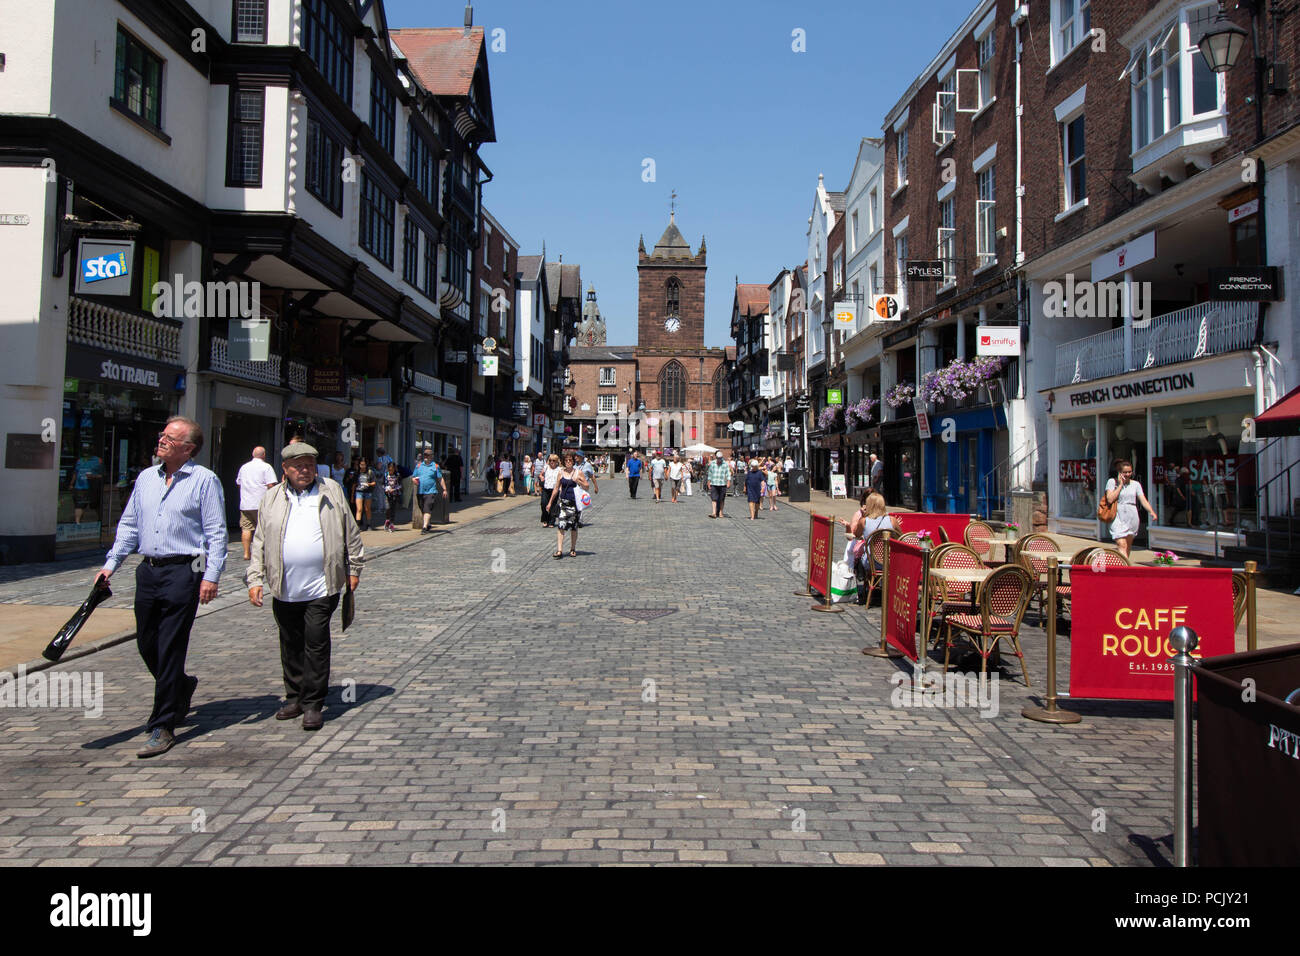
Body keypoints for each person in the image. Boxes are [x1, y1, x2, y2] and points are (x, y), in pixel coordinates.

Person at [96, 416, 226, 758]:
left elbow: (215, 533)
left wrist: (212, 575)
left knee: (170, 646)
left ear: (188, 449)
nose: (162, 441)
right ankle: (179, 685)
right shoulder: (145, 479)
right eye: (162, 436)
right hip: (149, 571)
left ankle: (162, 724)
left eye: (170, 438)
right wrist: (111, 565)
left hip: (185, 571)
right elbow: (129, 525)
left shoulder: (204, 481)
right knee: (146, 642)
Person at [246, 443, 364, 732]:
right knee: (290, 642)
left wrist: (356, 567)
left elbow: (351, 530)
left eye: (310, 464)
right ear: (284, 469)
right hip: (284, 586)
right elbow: (260, 540)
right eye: (298, 465)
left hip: (323, 584)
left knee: (316, 640)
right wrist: (255, 578)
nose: (305, 470)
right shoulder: (272, 497)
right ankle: (294, 696)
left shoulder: (330, 491)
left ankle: (313, 703)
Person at [841, 491, 901, 605]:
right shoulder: (892, 520)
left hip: (871, 562)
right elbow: (900, 536)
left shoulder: (864, 521)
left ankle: (867, 587)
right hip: (890, 561)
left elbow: (857, 535)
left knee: (860, 557)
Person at [1103, 459, 1157, 558]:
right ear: (1119, 472)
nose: (1127, 474)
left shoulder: (1136, 484)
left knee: (1127, 547)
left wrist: (1151, 512)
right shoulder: (1112, 482)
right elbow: (1110, 499)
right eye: (1125, 472)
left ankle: (1124, 568)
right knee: (1121, 544)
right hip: (1117, 516)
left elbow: (1143, 500)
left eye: (1129, 472)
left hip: (1132, 516)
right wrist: (1120, 485)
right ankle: (1125, 570)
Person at [235, 446, 278, 561]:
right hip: (261, 503)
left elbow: (239, 483)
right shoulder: (266, 467)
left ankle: (246, 553)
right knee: (263, 529)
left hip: (246, 503)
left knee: (246, 528)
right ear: (264, 455)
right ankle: (261, 553)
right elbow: (271, 485)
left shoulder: (244, 467)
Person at [547, 452, 590, 558]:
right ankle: (559, 550)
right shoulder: (561, 473)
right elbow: (556, 488)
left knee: (573, 527)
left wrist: (578, 481)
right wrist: (550, 502)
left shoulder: (578, 472)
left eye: (570, 460)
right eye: (566, 460)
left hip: (575, 504)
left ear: (573, 461)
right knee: (561, 526)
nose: (568, 462)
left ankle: (572, 549)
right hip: (563, 503)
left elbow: (587, 486)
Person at [411, 448, 448, 534]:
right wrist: (413, 480)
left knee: (427, 508)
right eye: (425, 455)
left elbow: (440, 478)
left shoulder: (435, 466)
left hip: (431, 491)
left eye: (428, 455)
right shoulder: (419, 466)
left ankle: (424, 528)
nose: (426, 457)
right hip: (420, 491)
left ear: (431, 456)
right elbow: (413, 477)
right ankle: (427, 524)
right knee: (423, 508)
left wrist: (444, 489)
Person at [70, 448, 105, 525]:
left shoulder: (98, 461)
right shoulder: (79, 461)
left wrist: (94, 476)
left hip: (92, 487)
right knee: (79, 505)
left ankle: (100, 521)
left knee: (95, 505)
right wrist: (71, 484)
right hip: (80, 487)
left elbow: (102, 475)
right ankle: (77, 522)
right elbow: (75, 473)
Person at [353, 456, 377, 530]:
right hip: (359, 491)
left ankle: (368, 524)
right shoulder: (357, 472)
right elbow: (354, 483)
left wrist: (368, 484)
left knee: (367, 509)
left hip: (367, 491)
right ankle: (358, 525)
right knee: (359, 509)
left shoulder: (370, 472)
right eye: (361, 464)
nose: (362, 466)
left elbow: (374, 482)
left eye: (364, 464)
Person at [708, 451, 730, 518]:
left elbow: (728, 473)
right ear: (716, 457)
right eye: (718, 458)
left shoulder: (725, 464)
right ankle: (714, 512)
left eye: (720, 458)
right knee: (714, 498)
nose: (719, 460)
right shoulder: (713, 463)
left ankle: (721, 512)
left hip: (722, 483)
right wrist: (709, 481)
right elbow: (710, 473)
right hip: (714, 483)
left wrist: (728, 481)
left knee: (721, 499)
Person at [541, 453, 561, 526]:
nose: (551, 462)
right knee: (544, 504)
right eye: (550, 460)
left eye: (553, 460)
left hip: (555, 489)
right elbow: (541, 474)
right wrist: (541, 477)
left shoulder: (559, 470)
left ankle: (551, 521)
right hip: (546, 488)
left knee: (553, 505)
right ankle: (545, 519)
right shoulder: (546, 467)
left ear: (556, 461)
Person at [382, 461, 403, 532]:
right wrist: (386, 489)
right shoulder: (385, 475)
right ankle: (387, 520)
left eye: (392, 469)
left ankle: (391, 523)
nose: (390, 471)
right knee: (388, 508)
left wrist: (394, 489)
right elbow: (383, 484)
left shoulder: (397, 475)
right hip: (387, 494)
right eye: (389, 469)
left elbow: (400, 485)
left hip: (394, 494)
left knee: (393, 509)